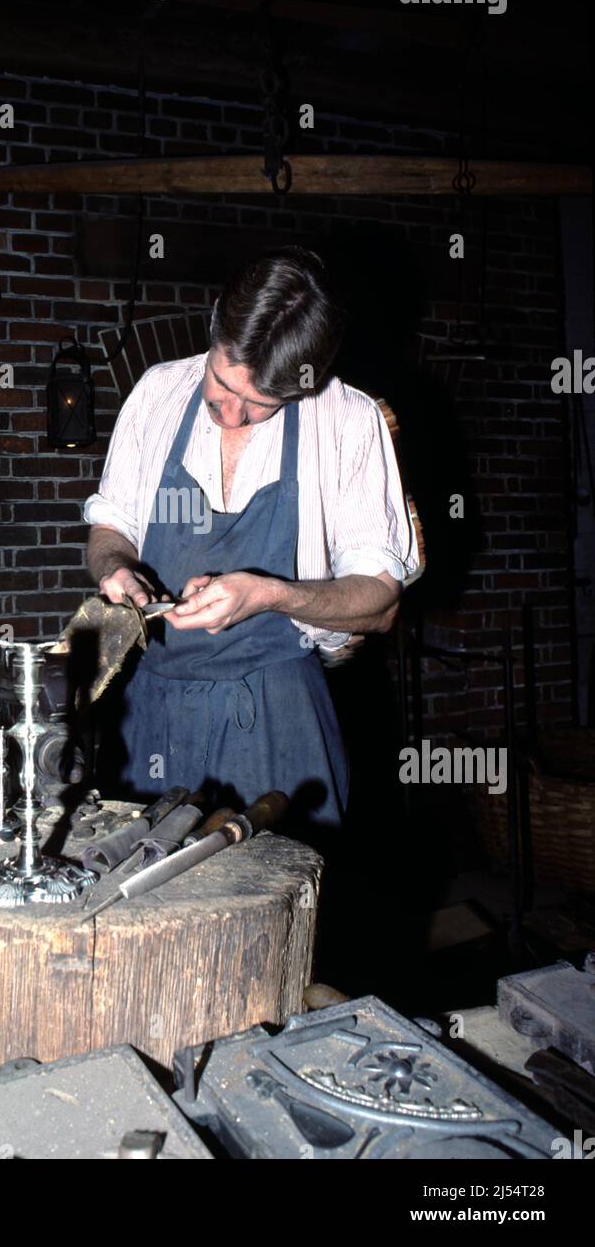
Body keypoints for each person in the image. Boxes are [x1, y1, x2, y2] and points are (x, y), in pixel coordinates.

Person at [84, 246, 419, 833]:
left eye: (261, 405)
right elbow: (110, 526)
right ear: (215, 326)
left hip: (275, 719)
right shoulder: (157, 395)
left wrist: (269, 595)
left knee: (276, 907)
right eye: (222, 387)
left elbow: (381, 604)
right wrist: (114, 565)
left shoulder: (346, 420)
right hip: (152, 711)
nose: (232, 416)